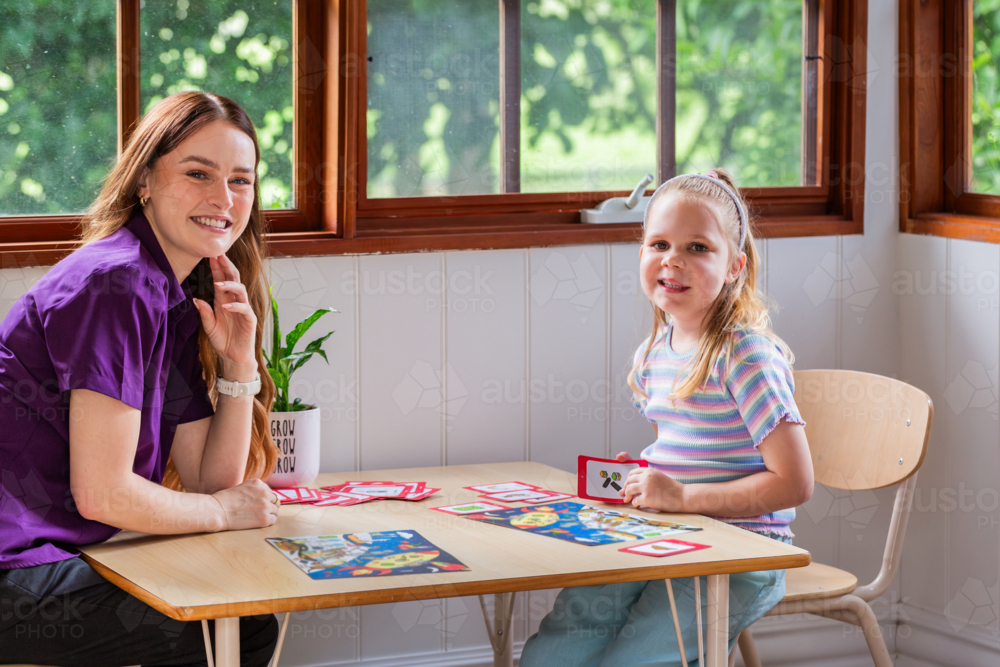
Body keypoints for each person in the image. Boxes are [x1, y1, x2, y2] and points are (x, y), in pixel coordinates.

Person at [0, 91, 282, 665]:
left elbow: (209, 477)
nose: (222, 199)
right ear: (145, 180)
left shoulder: (164, 296)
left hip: (45, 558)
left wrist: (239, 364)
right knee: (224, 625)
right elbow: (105, 494)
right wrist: (225, 514)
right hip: (9, 572)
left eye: (241, 180)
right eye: (198, 173)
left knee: (239, 617)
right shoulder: (117, 284)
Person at [519, 170, 815, 667]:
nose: (673, 259)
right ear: (641, 256)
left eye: (698, 247)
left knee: (641, 657)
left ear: (735, 267)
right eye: (659, 243)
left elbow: (795, 483)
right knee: (568, 633)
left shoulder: (746, 358)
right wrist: (644, 478)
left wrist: (680, 496)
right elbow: (693, 447)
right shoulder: (656, 351)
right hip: (669, 532)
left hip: (739, 550)